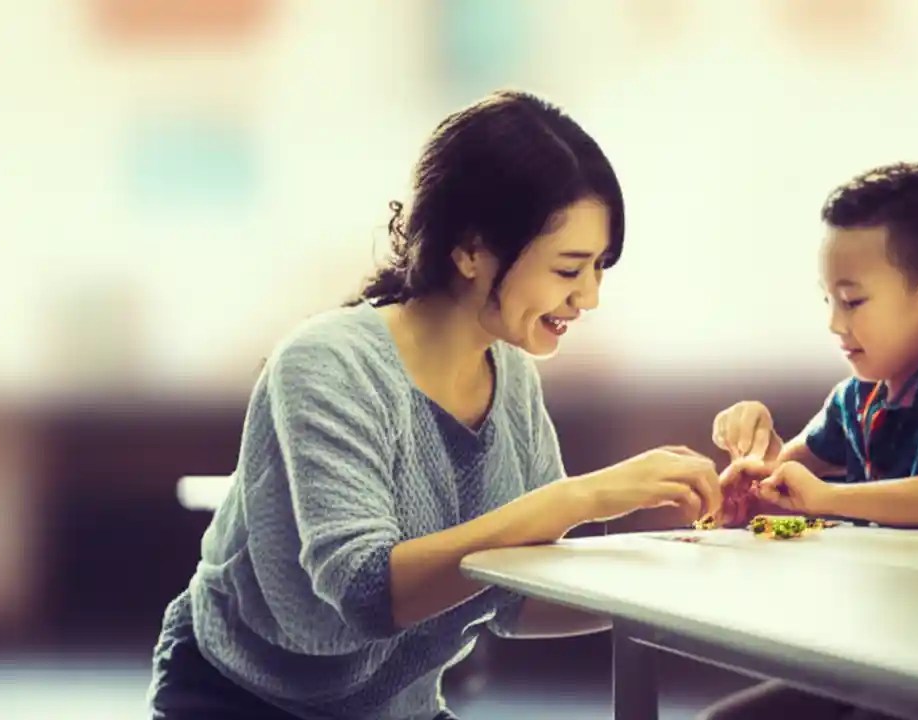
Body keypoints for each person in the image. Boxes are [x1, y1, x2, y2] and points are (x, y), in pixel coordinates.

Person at [147, 90, 722, 720]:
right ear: (472, 249)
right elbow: (368, 592)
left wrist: (691, 575)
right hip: (246, 699)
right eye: (568, 270)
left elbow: (514, 598)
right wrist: (581, 497)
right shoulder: (327, 362)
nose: (589, 298)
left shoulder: (512, 378)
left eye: (600, 269)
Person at [700, 162, 918, 720]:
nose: (833, 322)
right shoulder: (855, 398)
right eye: (828, 299)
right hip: (878, 653)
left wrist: (826, 499)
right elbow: (784, 477)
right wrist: (753, 460)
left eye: (852, 301)